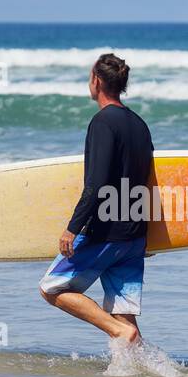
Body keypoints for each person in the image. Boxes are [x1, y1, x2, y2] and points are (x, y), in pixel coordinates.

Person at [40, 53, 154, 345]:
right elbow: (148, 179)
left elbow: (96, 182)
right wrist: (147, 233)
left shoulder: (103, 122)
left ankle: (118, 333)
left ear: (96, 80)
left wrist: (73, 228)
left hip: (106, 232)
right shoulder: (139, 124)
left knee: (51, 288)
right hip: (134, 232)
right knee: (123, 312)